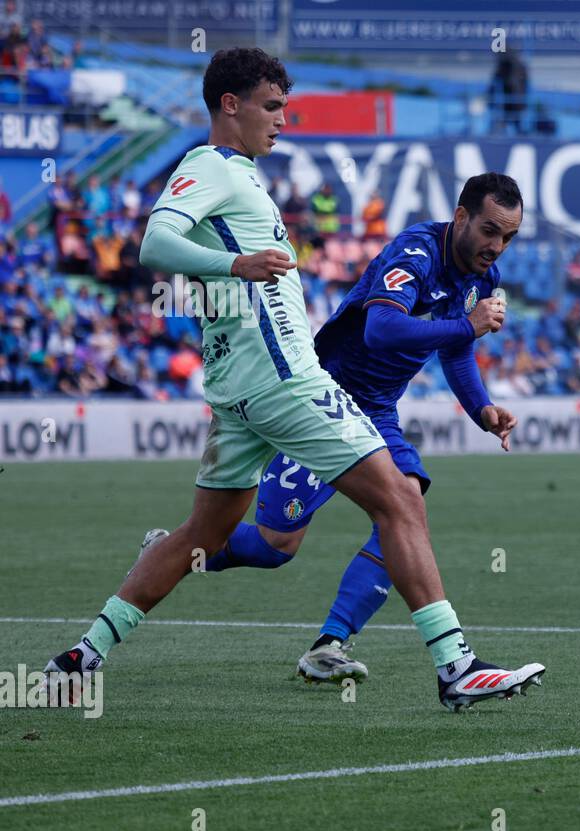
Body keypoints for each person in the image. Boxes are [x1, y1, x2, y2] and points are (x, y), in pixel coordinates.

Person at [41, 48, 543, 713]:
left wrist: (480, 406)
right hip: (285, 379)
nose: (282, 120)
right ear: (231, 105)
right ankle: (453, 665)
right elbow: (154, 246)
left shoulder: (240, 176)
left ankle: (81, 655)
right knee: (397, 501)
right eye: (272, 107)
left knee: (205, 539)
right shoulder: (211, 165)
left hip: (240, 385)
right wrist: (235, 263)